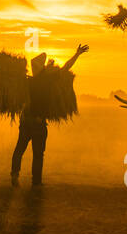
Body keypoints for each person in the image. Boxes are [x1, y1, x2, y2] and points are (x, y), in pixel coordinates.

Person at [11, 44, 88, 187]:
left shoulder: (27, 81)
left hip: (26, 122)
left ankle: (15, 175)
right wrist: (77, 54)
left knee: (19, 149)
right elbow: (66, 67)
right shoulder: (48, 80)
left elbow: (15, 90)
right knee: (38, 154)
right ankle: (36, 181)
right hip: (38, 124)